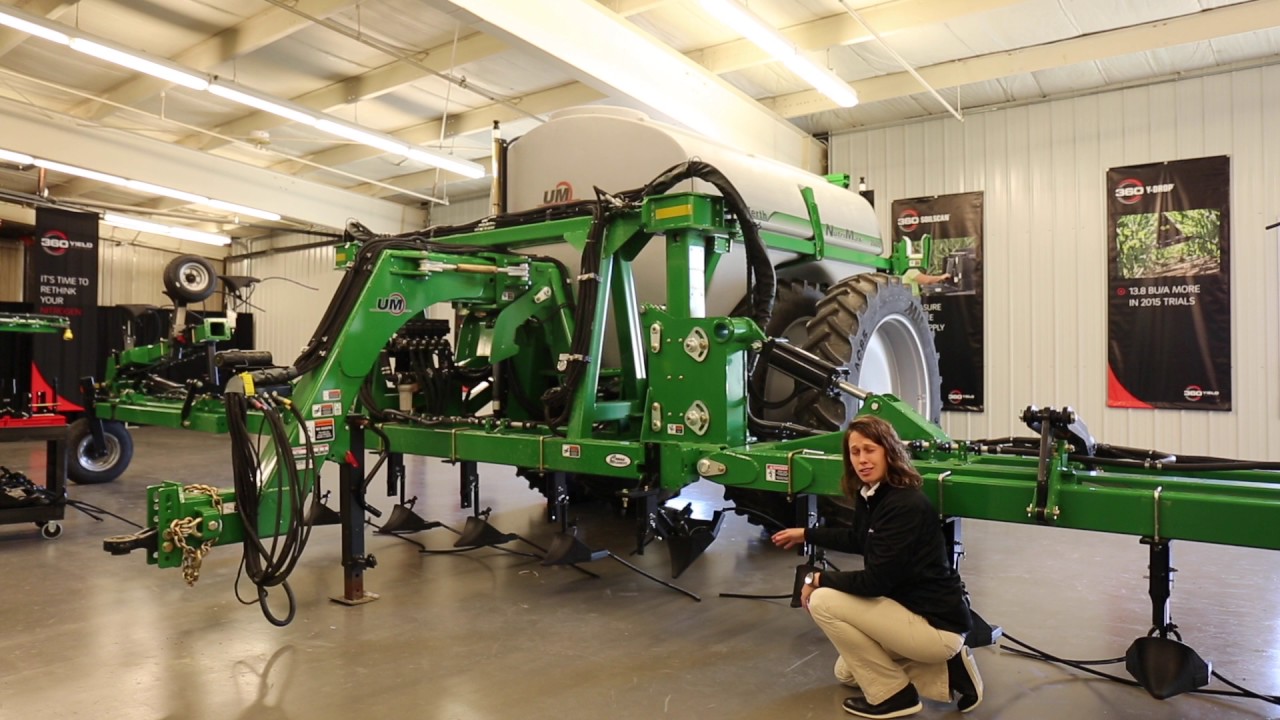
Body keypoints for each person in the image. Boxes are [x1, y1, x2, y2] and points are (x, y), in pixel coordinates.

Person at [771, 416, 982, 719]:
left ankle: (896, 696)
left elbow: (874, 583)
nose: (861, 460)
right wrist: (806, 533)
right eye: (855, 452)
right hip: (909, 610)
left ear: (889, 451)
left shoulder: (903, 505)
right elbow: (859, 539)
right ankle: (951, 668)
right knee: (847, 673)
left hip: (936, 623)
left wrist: (817, 578)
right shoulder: (872, 494)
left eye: (869, 450)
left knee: (823, 601)